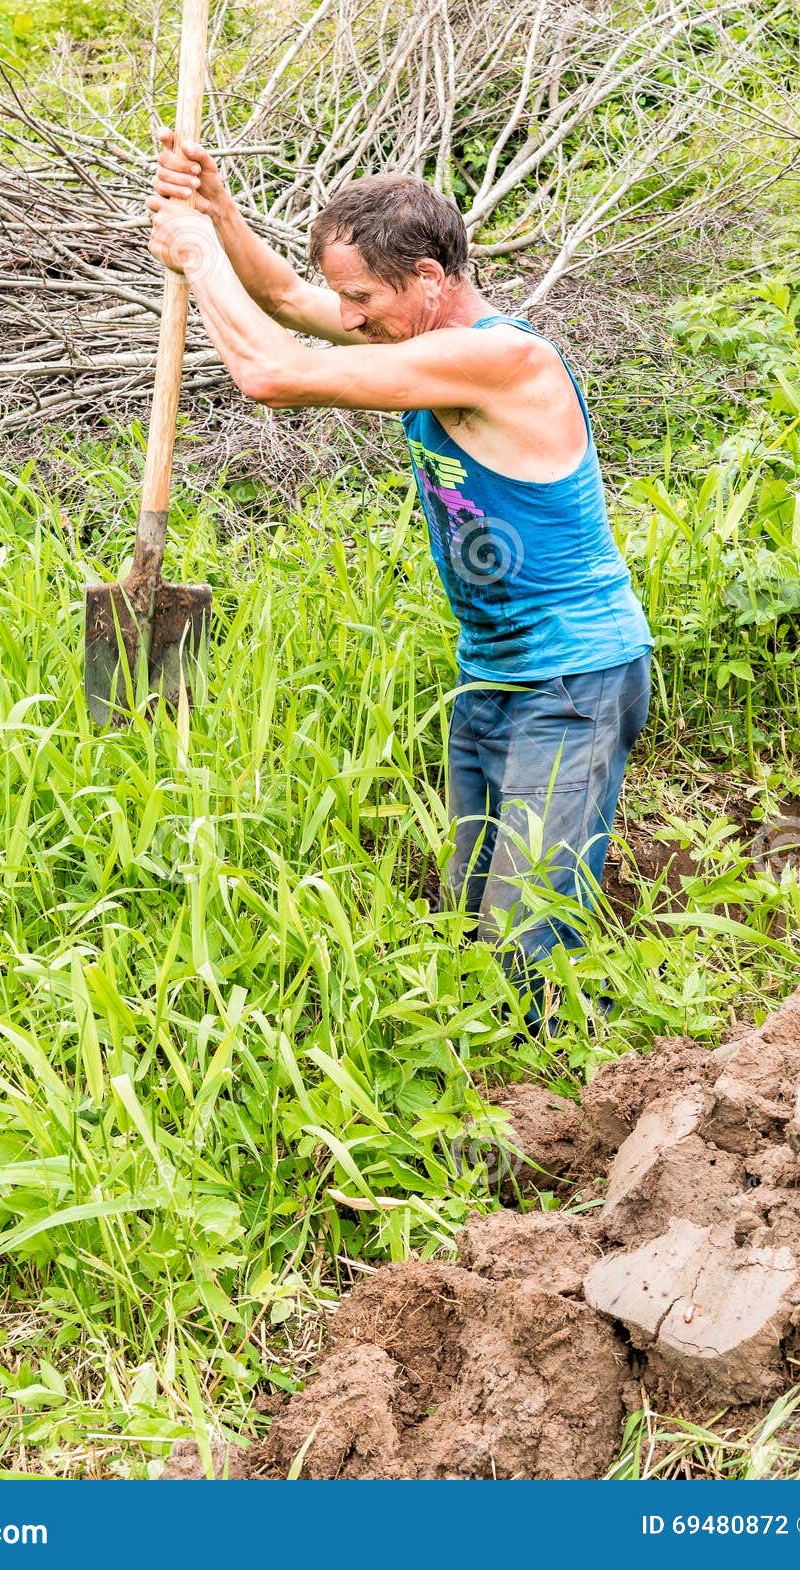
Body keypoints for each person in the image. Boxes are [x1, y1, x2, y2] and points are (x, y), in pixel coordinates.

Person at [148, 134, 652, 1027]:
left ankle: (565, 1115)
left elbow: (270, 372)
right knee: (472, 920)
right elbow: (283, 299)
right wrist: (219, 213)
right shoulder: (420, 334)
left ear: (427, 280)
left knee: (529, 937)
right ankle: (495, 1087)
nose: (346, 317)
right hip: (495, 672)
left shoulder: (504, 362)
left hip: (573, 678)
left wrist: (193, 256)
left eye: (363, 299)